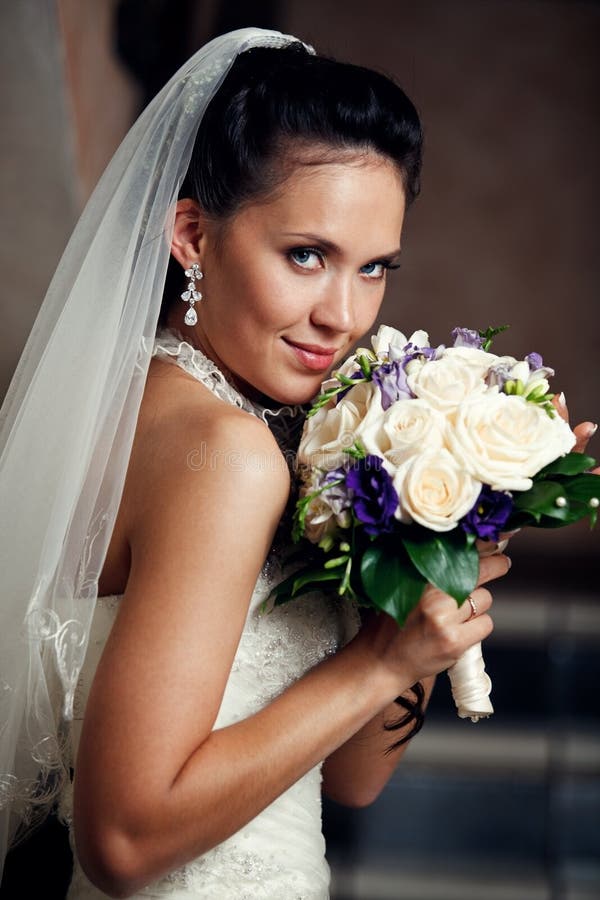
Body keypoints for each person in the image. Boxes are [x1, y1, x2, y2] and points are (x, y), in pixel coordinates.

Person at [0, 26, 593, 900]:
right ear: (193, 235)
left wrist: (441, 547)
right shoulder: (225, 455)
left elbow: (352, 777)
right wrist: (383, 666)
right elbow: (122, 844)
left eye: (375, 268)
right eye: (306, 256)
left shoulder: (199, 415)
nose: (342, 316)